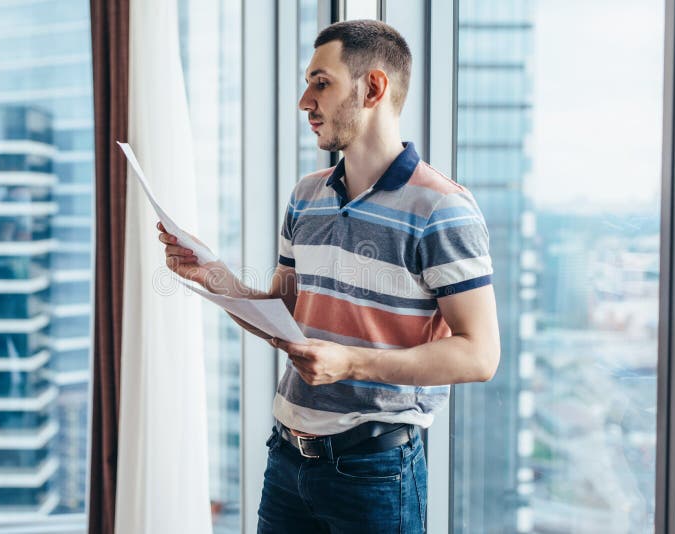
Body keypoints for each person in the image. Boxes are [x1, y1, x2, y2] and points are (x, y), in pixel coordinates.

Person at [158, 19, 500, 534]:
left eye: (321, 83)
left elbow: (479, 355)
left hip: (375, 472)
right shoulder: (306, 195)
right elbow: (286, 316)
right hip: (288, 461)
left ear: (374, 88)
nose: (304, 102)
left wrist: (350, 363)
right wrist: (219, 280)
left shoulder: (443, 209)